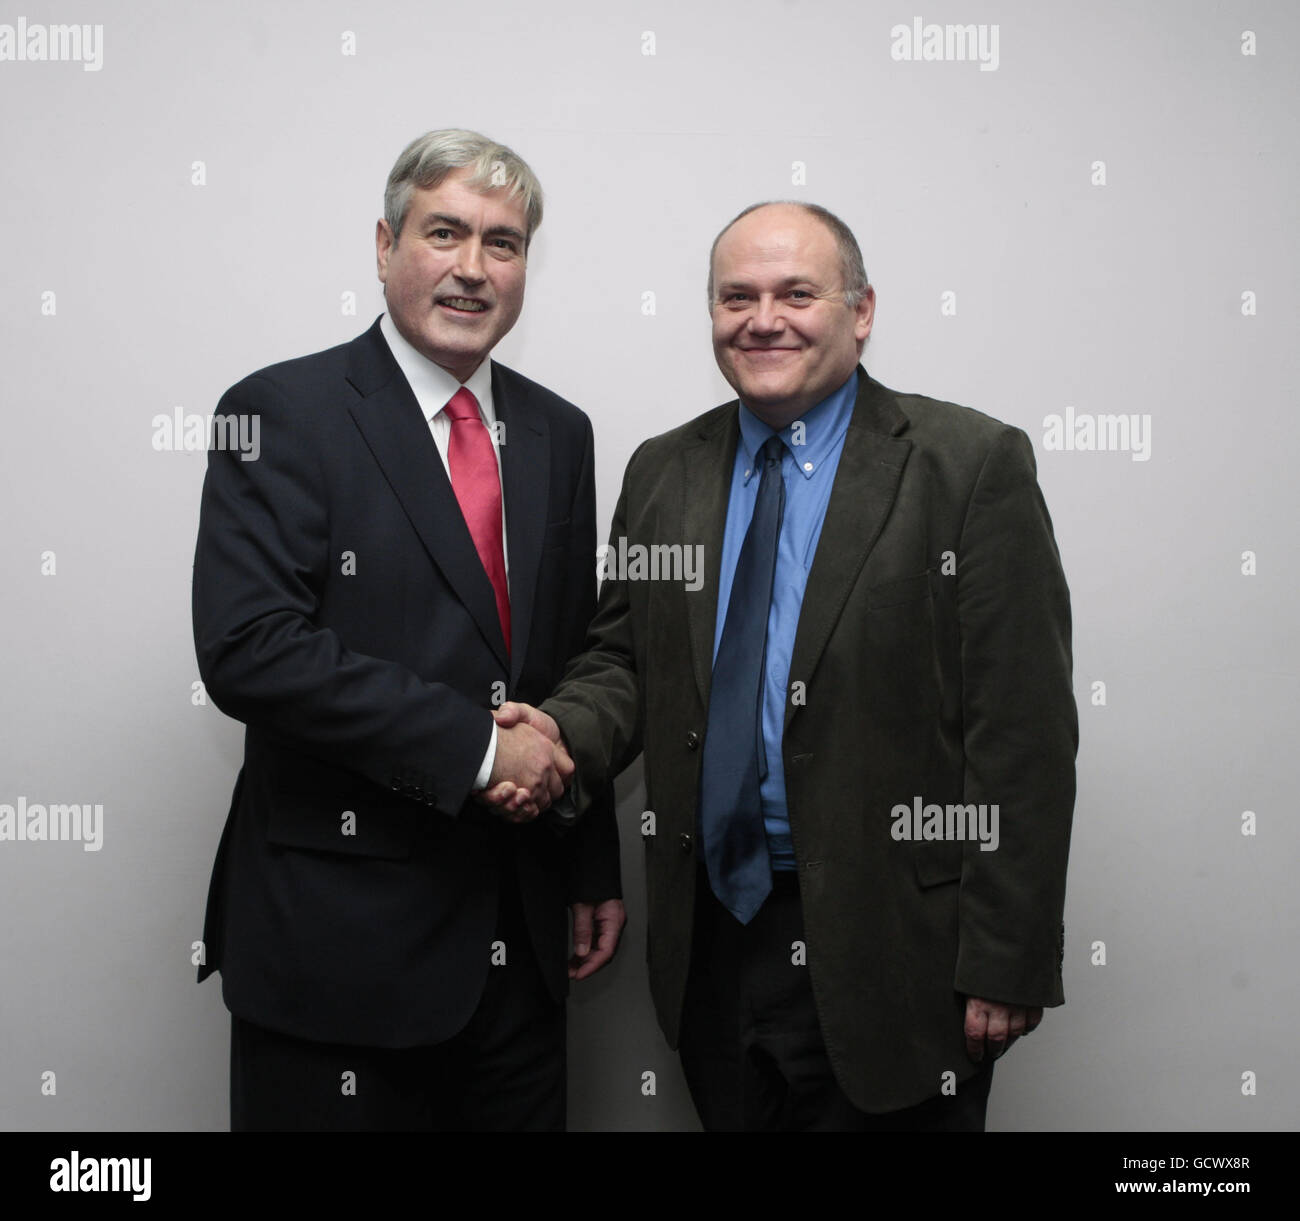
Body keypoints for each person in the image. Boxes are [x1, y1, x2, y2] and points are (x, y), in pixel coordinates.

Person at [489, 200, 1077, 1131]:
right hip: (712, 940)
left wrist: (1005, 961)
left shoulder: (967, 468)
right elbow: (625, 661)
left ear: (863, 310)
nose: (763, 319)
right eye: (737, 296)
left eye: (797, 293)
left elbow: (1024, 740)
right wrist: (558, 730)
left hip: (898, 953)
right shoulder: (662, 472)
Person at [192, 129, 624, 1131]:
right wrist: (480, 749)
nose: (474, 268)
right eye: (445, 232)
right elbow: (252, 649)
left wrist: (589, 862)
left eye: (504, 243)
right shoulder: (278, 412)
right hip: (336, 956)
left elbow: (562, 659)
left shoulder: (559, 432)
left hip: (521, 950)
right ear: (385, 244)